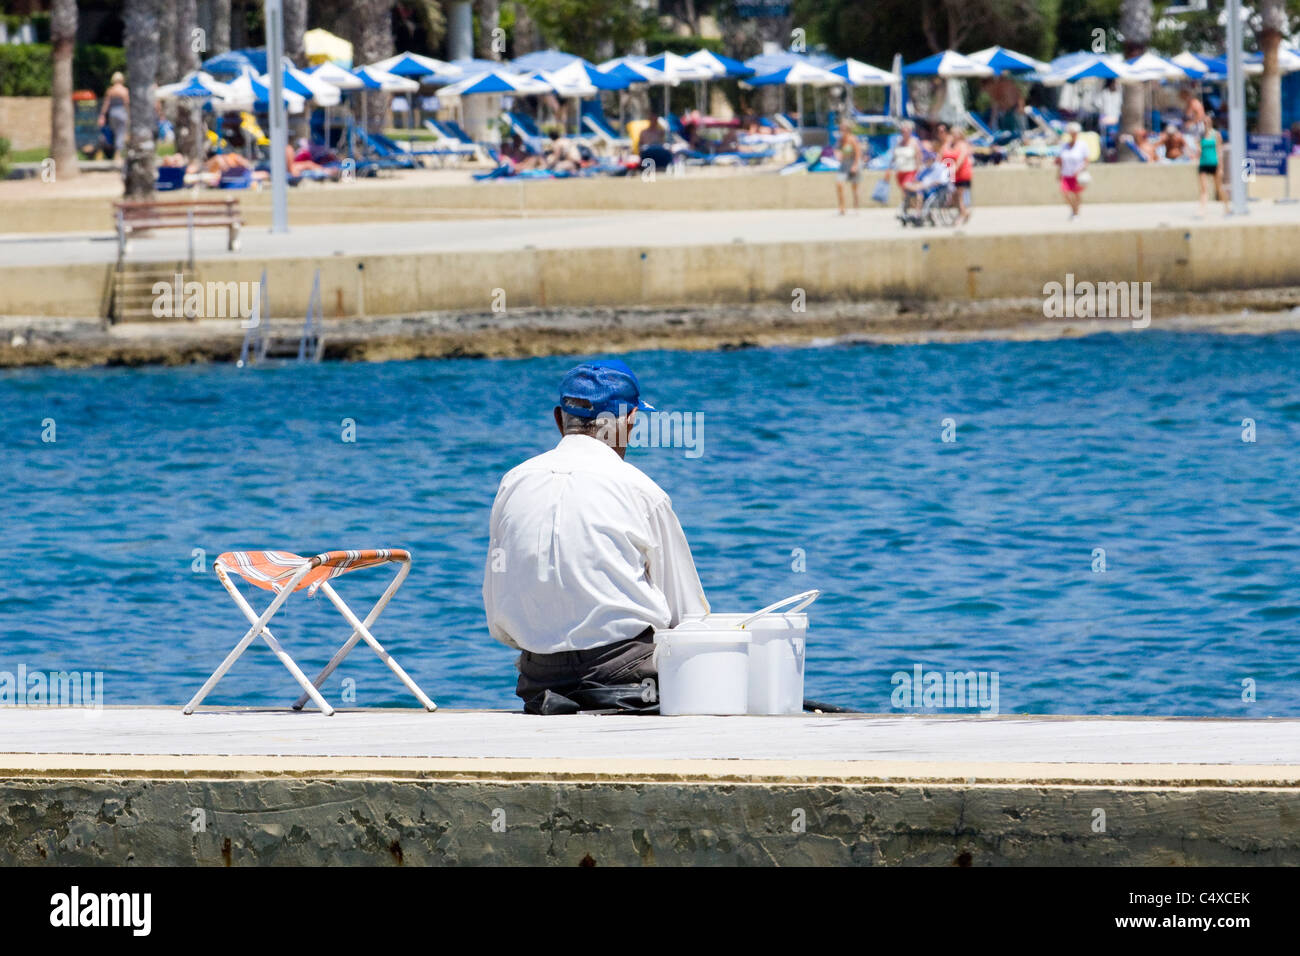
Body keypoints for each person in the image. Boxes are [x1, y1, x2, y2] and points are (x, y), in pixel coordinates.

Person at [484, 360, 710, 715]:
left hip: (539, 679)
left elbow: (498, 607)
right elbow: (688, 618)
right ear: (629, 421)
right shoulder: (642, 491)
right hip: (626, 677)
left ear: (560, 419)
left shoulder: (513, 482)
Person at [941, 127, 974, 225]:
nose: (954, 135)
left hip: (962, 173)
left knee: (959, 195)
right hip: (952, 174)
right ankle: (965, 212)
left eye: (956, 134)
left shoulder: (963, 145)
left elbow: (961, 158)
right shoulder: (950, 145)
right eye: (953, 133)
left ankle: (962, 215)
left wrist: (955, 168)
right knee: (954, 196)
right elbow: (943, 153)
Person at [1057, 121, 1089, 220]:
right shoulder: (1064, 146)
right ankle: (1073, 210)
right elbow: (1061, 160)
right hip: (1066, 173)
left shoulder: (1082, 145)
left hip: (1077, 175)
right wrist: (1058, 172)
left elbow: (1086, 160)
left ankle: (1076, 212)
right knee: (1065, 193)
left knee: (1076, 194)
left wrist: (1079, 170)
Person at [1196, 122, 1227, 217]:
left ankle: (1227, 207)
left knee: (1219, 188)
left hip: (1214, 164)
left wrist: (1221, 167)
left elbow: (1219, 150)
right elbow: (1199, 151)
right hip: (1203, 164)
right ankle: (1202, 210)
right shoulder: (1200, 135)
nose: (1205, 124)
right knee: (1204, 189)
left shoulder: (1216, 134)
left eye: (1206, 122)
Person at [98, 71, 129, 161]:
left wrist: (102, 115)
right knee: (121, 133)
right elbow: (127, 103)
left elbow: (106, 104)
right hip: (122, 113)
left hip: (112, 113)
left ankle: (114, 153)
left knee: (114, 134)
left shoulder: (110, 90)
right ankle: (118, 154)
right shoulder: (124, 90)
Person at [891, 120, 921, 212]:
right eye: (902, 131)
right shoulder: (899, 142)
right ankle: (907, 209)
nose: (903, 133)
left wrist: (918, 172)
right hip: (900, 171)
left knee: (907, 186)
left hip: (911, 170)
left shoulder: (914, 142)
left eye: (905, 131)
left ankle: (918, 205)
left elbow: (918, 158)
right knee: (904, 192)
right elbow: (894, 156)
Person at [834, 122, 863, 215]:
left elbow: (858, 153)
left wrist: (855, 166)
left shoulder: (852, 139)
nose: (841, 131)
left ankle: (856, 206)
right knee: (839, 184)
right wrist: (837, 154)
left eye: (843, 129)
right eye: (840, 129)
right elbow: (836, 149)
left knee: (854, 187)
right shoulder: (841, 140)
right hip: (844, 164)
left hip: (853, 163)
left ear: (848, 130)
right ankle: (842, 207)